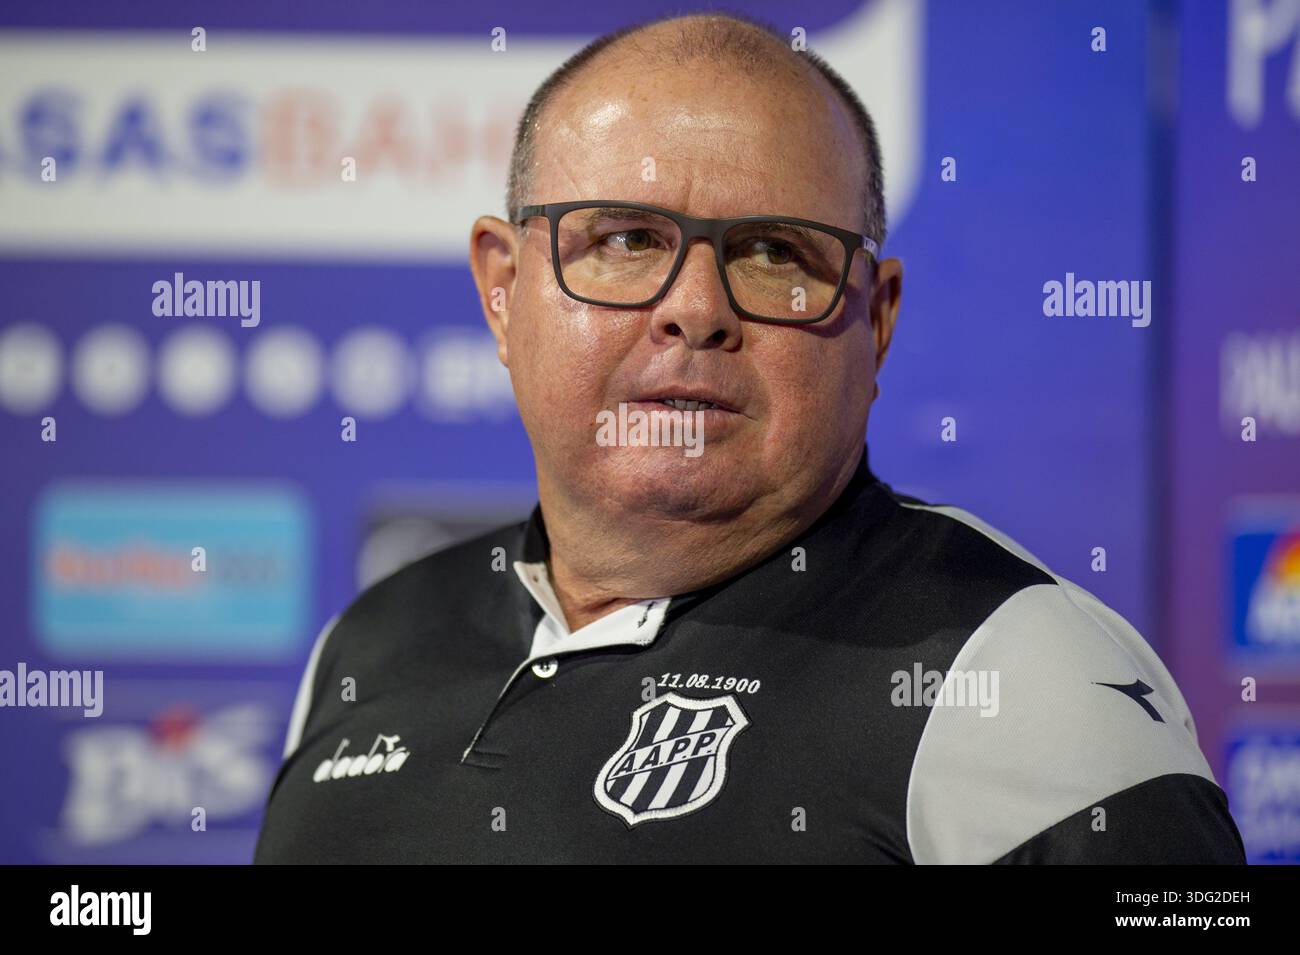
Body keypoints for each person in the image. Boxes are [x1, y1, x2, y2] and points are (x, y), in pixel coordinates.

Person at [254, 11, 1245, 864]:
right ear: (502, 291)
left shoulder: (1020, 678)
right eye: (625, 240)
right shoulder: (369, 644)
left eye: (775, 254)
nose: (693, 310)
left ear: (877, 318)